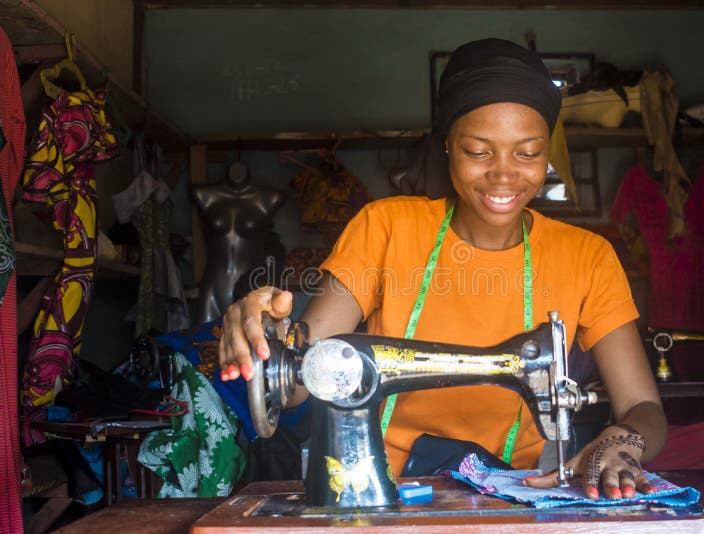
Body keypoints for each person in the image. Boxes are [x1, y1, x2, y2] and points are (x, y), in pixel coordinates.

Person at [218, 38, 667, 501]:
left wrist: (621, 441)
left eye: (528, 153)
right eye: (478, 151)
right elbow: (303, 378)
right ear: (448, 145)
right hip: (383, 490)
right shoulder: (386, 227)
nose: (504, 174)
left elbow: (642, 406)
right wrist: (264, 345)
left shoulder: (587, 256)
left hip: (519, 494)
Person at [190, 161, 286, 323]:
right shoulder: (204, 194)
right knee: (203, 343)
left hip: (249, 287)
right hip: (213, 284)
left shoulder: (270, 197)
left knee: (250, 343)